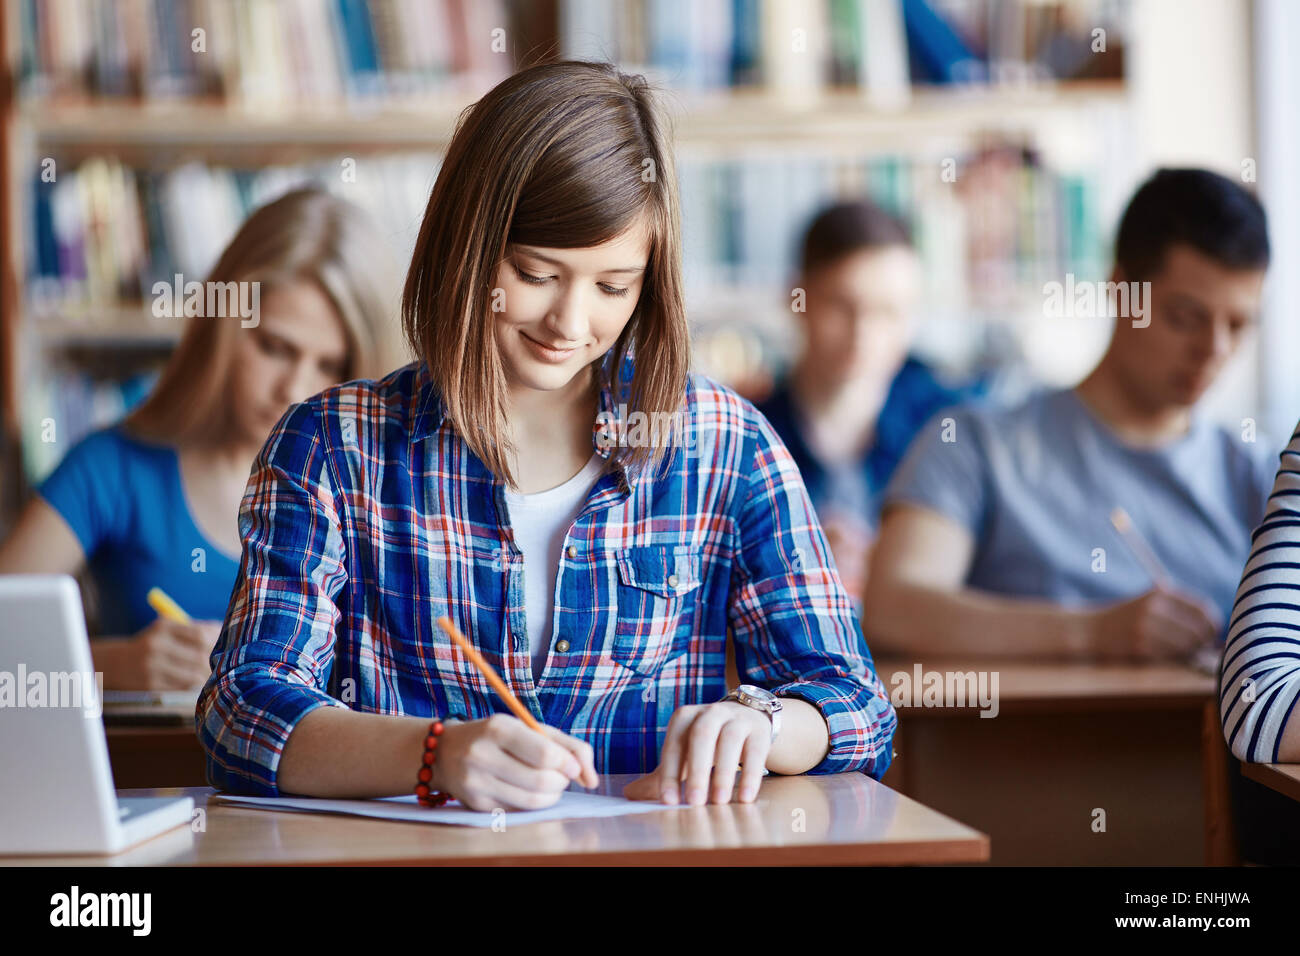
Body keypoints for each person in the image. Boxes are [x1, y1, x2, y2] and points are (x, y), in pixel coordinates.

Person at [197, 60, 897, 812]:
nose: (570, 324)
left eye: (612, 287)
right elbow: (241, 711)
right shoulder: (332, 448)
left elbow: (858, 708)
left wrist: (761, 721)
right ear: (468, 249)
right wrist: (435, 754)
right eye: (536, 273)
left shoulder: (724, 445)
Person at [863, 167, 1274, 661]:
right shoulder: (975, 446)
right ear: (1122, 292)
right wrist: (1093, 634)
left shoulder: (1259, 474)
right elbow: (892, 609)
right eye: (1185, 318)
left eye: (1238, 324)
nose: (1214, 349)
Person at [0, 188, 403, 689]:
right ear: (221, 330)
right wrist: (113, 667)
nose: (294, 390)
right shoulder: (111, 469)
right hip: (149, 769)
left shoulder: (394, 500)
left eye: (330, 365)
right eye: (274, 347)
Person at [757, 200, 984, 606]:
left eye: (889, 311)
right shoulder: (745, 433)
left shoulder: (952, 429)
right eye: (841, 305)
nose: (864, 333)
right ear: (797, 301)